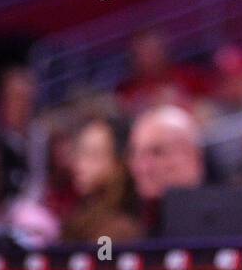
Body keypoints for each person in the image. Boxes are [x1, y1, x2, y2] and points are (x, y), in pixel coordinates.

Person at [62, 116, 144, 244]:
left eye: (93, 154)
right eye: (79, 153)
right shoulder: (82, 216)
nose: (79, 164)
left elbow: (103, 261)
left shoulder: (117, 231)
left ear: (119, 164)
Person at [128, 104, 207, 235]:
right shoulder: (121, 233)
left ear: (194, 156)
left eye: (157, 152)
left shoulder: (232, 223)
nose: (142, 167)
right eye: (136, 153)